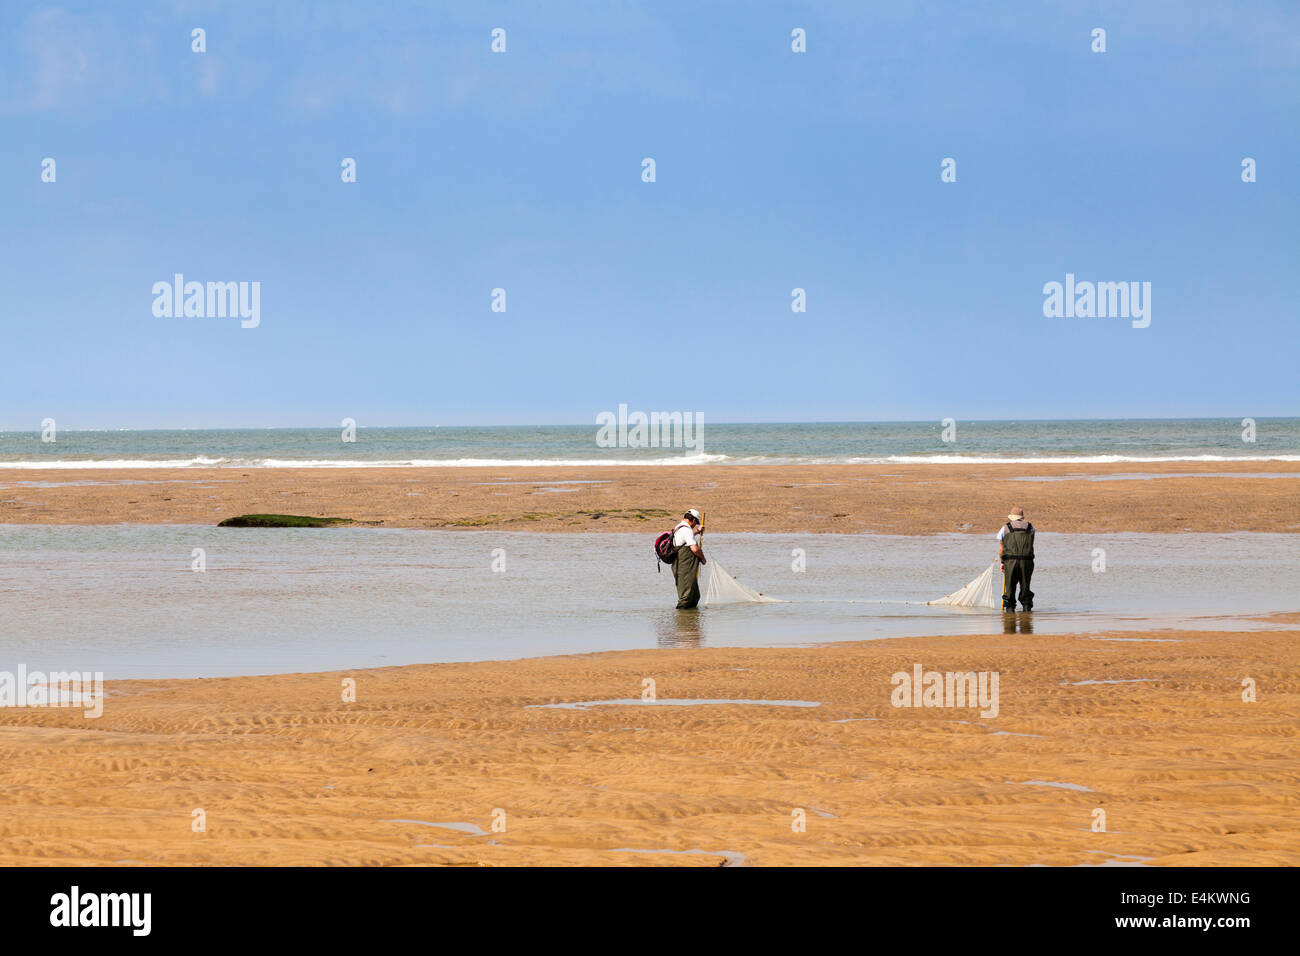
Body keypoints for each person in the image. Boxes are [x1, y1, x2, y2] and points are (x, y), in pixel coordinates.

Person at [998, 506, 1035, 611]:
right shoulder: (1031, 528)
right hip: (1027, 562)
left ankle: (1009, 618)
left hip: (1010, 562)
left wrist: (1002, 562)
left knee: (1009, 591)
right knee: (1025, 589)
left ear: (1011, 517)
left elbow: (1001, 549)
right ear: (1021, 517)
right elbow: (1031, 545)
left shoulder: (1005, 528)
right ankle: (1027, 615)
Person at [671, 509, 707, 609]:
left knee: (695, 596)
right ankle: (681, 621)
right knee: (686, 598)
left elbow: (688, 536)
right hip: (684, 568)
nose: (695, 525)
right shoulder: (686, 530)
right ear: (693, 520)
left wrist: (698, 531)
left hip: (683, 567)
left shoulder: (679, 527)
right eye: (696, 523)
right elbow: (694, 549)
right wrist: (703, 559)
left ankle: (691, 623)